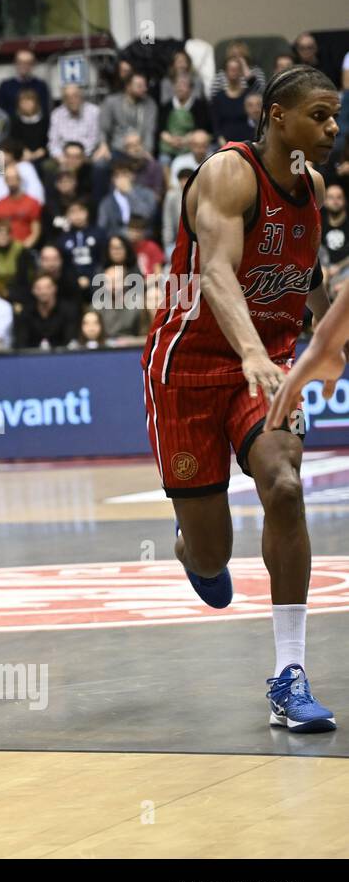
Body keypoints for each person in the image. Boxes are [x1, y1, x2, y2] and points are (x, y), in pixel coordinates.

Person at [143, 66, 341, 732]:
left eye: (337, 115)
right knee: (211, 558)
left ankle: (289, 675)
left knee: (284, 487)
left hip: (271, 366)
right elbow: (216, 270)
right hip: (190, 367)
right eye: (320, 114)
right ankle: (189, 548)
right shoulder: (229, 174)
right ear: (277, 117)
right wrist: (249, 348)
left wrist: (329, 339)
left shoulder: (312, 187)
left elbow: (308, 277)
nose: (333, 127)